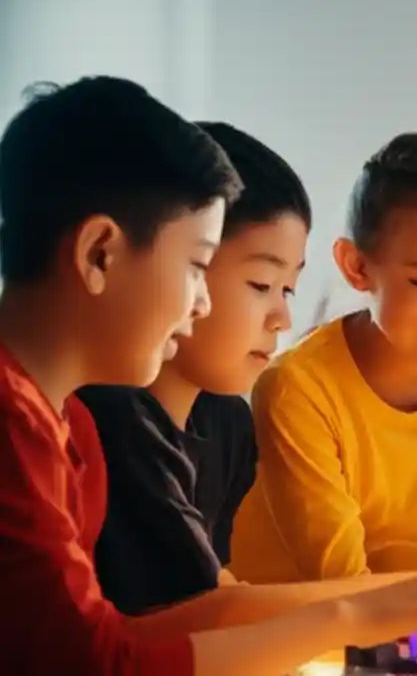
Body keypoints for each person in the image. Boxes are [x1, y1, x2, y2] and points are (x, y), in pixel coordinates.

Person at [0, 77, 417, 676]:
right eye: (196, 266)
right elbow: (99, 664)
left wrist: (382, 603)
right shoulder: (16, 427)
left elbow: (126, 633)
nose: (199, 305)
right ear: (100, 253)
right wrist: (353, 614)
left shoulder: (71, 431)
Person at [229, 131, 417, 584]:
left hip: (402, 620)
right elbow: (343, 582)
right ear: (358, 267)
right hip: (291, 631)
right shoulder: (297, 389)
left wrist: (387, 562)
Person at [77, 121, 309, 614]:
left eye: (288, 289)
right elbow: (205, 613)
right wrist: (394, 599)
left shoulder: (227, 423)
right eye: (262, 284)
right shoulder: (107, 416)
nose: (282, 317)